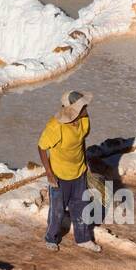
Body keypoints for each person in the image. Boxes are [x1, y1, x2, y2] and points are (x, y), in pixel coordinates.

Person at [38, 90, 101, 252]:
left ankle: (83, 239)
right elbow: (42, 147)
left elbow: (81, 142)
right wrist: (49, 173)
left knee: (81, 206)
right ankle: (51, 238)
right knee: (57, 210)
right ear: (74, 110)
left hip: (79, 172)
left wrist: (86, 165)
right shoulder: (56, 126)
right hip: (60, 175)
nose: (86, 108)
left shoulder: (84, 120)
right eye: (83, 106)